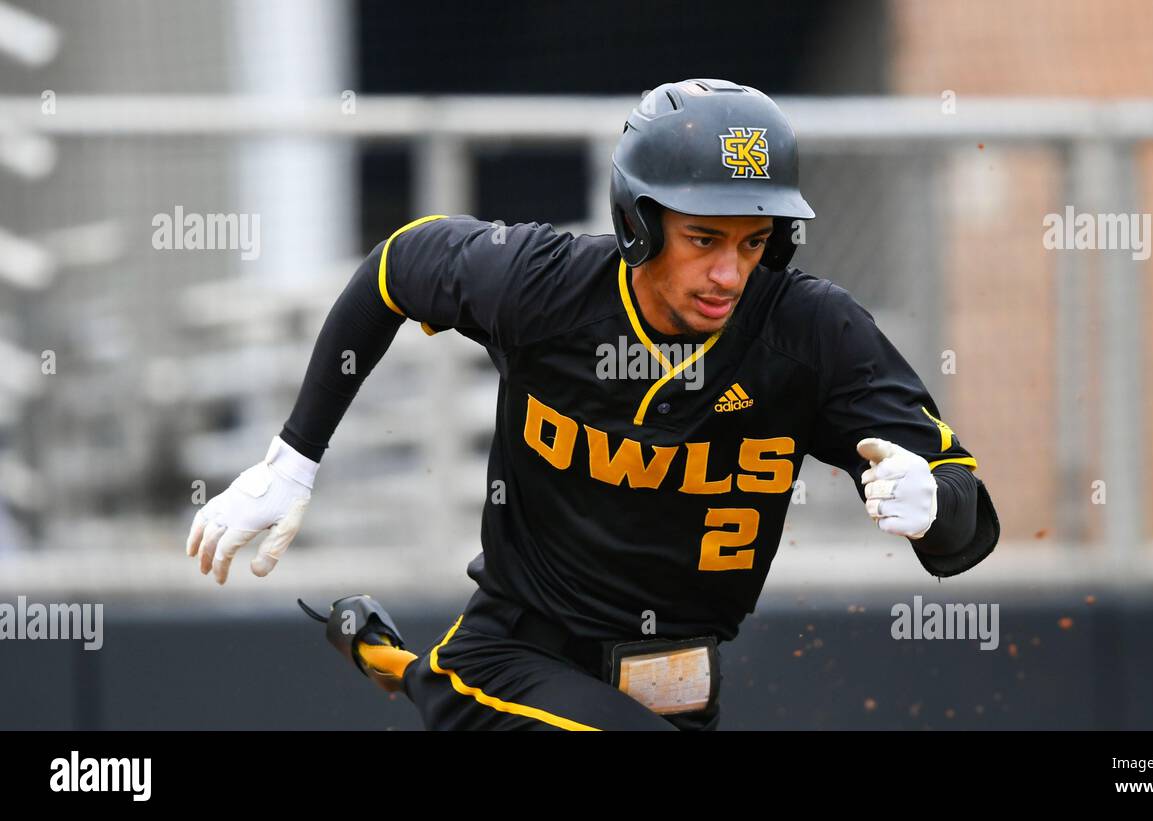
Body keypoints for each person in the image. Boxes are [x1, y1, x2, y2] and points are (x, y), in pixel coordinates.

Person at [185, 78, 1000, 731]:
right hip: (512, 661)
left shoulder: (812, 332)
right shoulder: (542, 285)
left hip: (673, 689)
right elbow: (396, 267)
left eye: (754, 242)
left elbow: (969, 512)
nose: (729, 273)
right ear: (639, 224)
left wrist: (935, 504)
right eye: (704, 238)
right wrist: (293, 458)